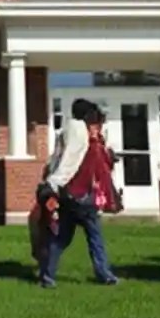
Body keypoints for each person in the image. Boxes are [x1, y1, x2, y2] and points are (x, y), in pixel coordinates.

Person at [37, 100, 118, 288]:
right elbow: (100, 169)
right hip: (84, 198)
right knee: (95, 237)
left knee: (61, 239)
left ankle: (47, 275)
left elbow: (58, 163)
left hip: (67, 197)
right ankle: (104, 274)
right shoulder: (91, 146)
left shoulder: (68, 138)